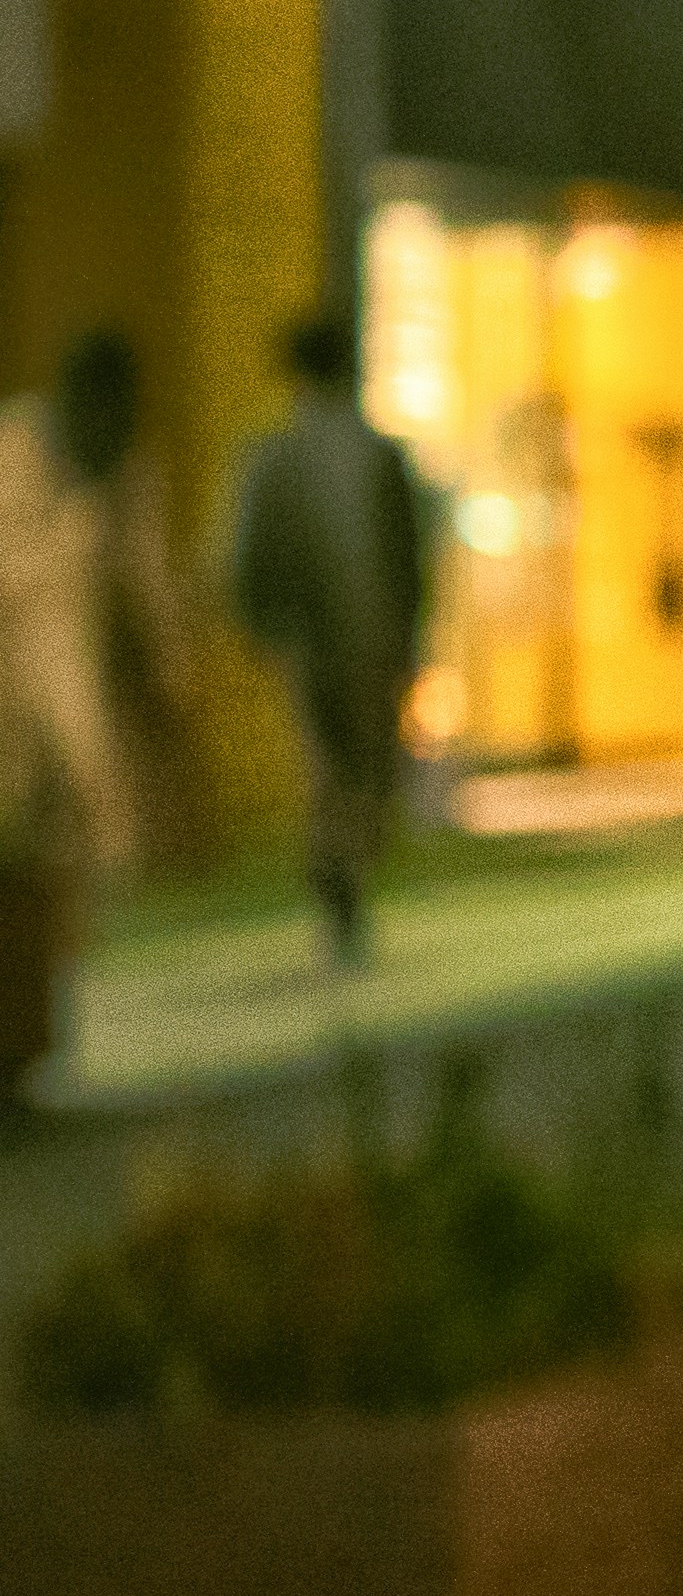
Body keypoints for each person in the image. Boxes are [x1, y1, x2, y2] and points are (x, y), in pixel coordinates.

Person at [0, 328, 207, 1074]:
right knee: (34, 818)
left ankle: (59, 987)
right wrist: (74, 537)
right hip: (19, 655)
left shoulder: (126, 463)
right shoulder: (17, 448)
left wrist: (172, 662)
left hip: (76, 663)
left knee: (82, 816)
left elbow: (146, 575)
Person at [220, 307, 434, 964]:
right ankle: (345, 877)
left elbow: (246, 554)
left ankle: (338, 876)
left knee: (331, 761)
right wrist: (411, 635)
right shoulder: (378, 455)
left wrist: (263, 626)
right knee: (364, 763)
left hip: (312, 639)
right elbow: (409, 557)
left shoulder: (276, 457)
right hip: (368, 635)